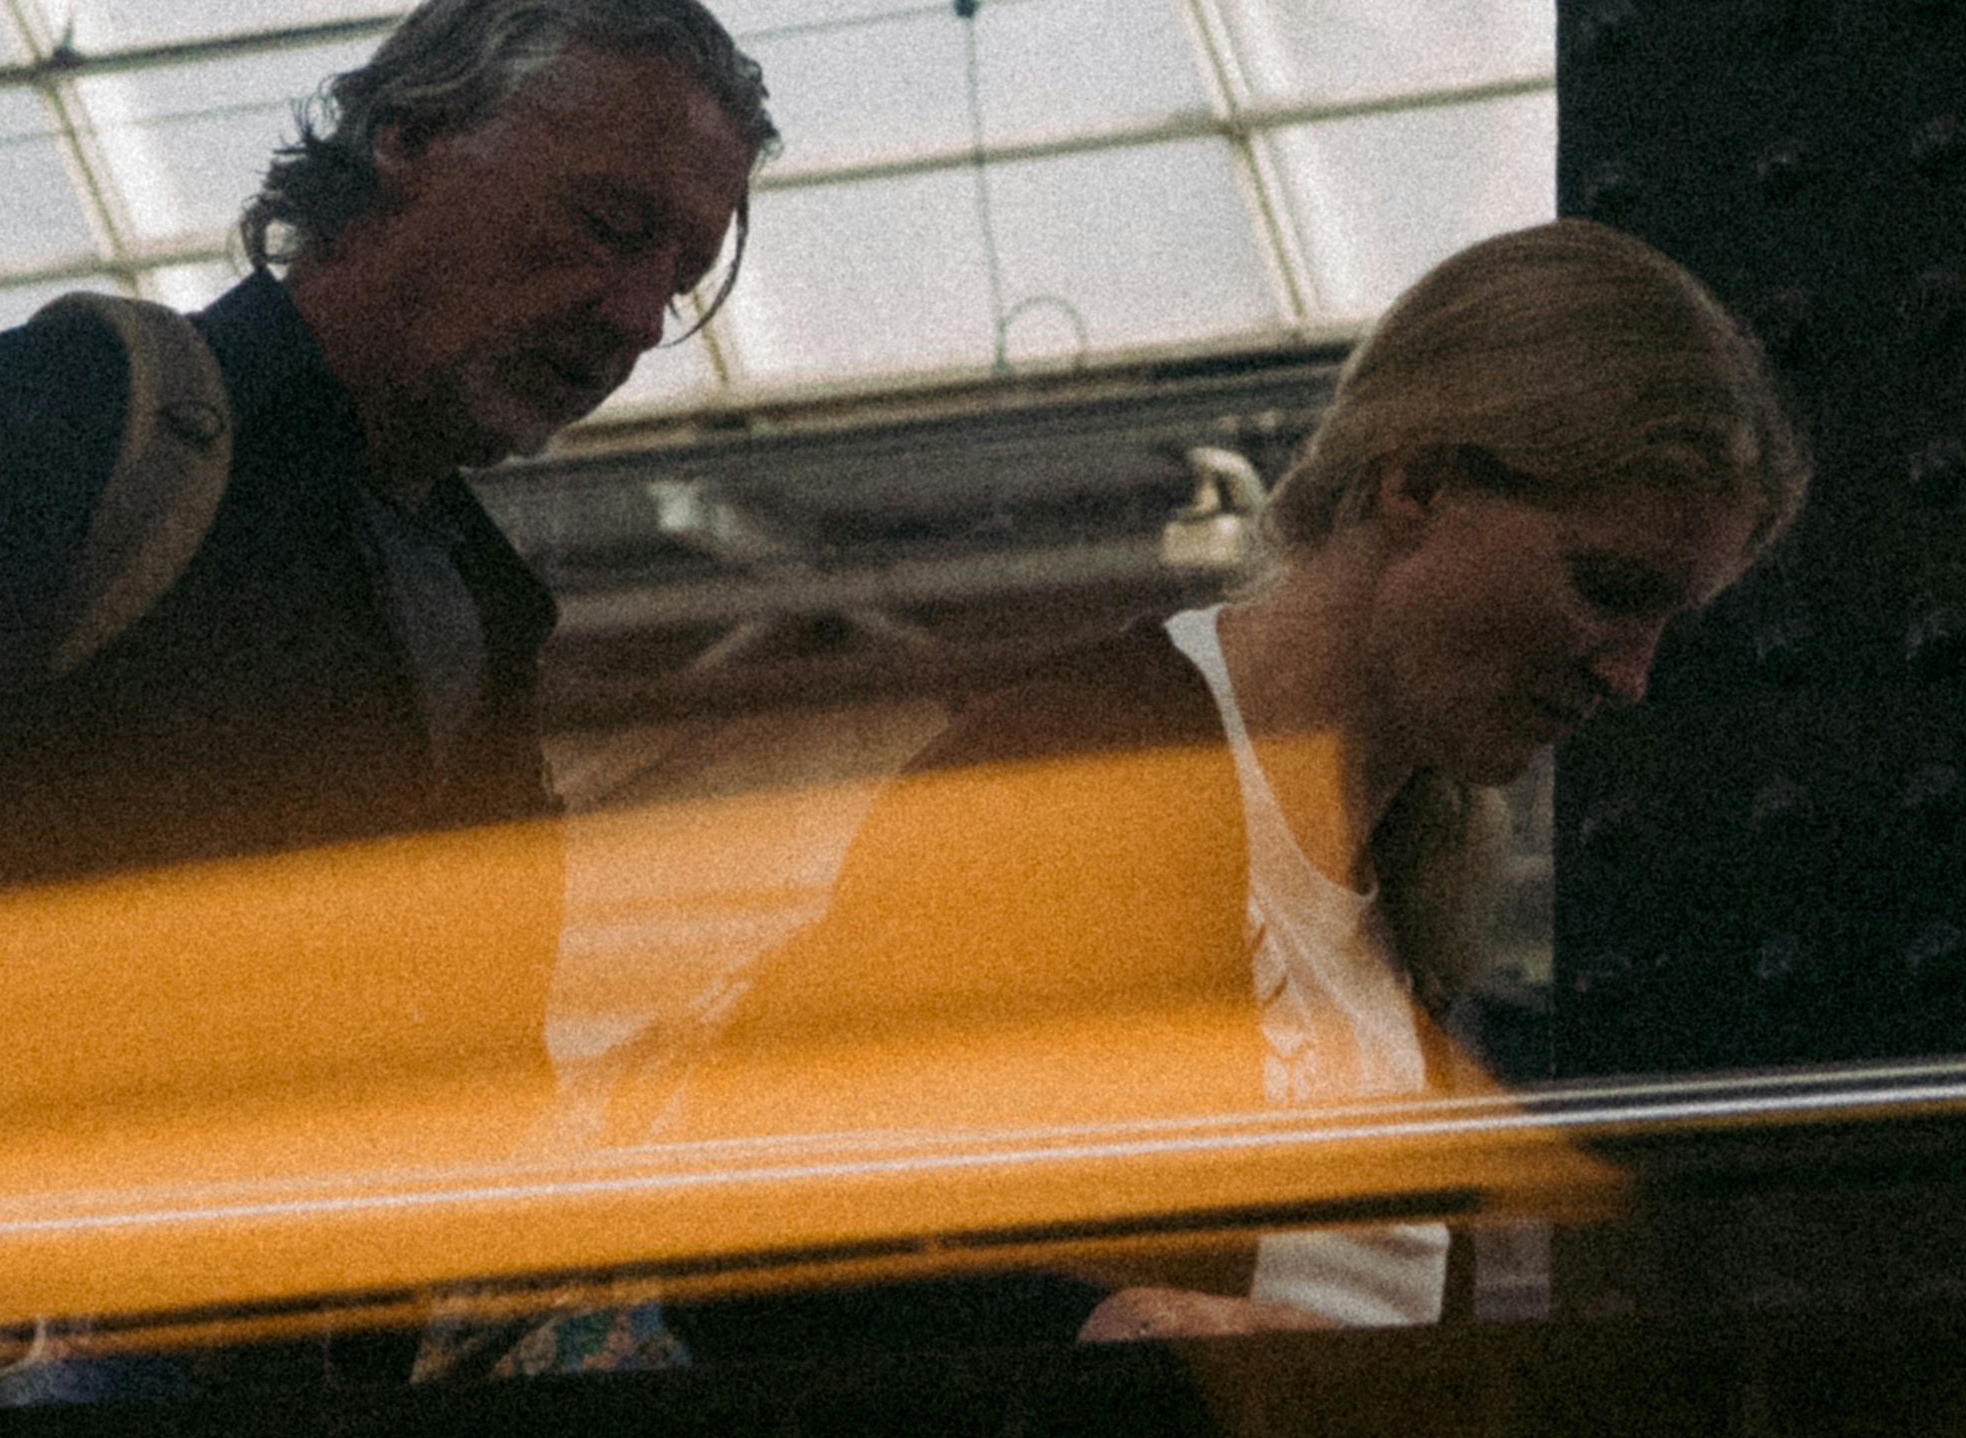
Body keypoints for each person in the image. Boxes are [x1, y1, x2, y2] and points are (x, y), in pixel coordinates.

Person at [0, 0, 768, 1413]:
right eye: (603, 224)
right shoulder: (82, 419)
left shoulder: (468, 595)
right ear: (412, 138)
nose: (636, 317)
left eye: (678, 273)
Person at [681, 220, 1804, 1346]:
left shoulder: (1403, 879)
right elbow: (755, 1249)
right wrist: (1110, 1325)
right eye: (1608, 587)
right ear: (1417, 483)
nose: (1633, 672)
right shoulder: (1095, 767)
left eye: (1668, 621)